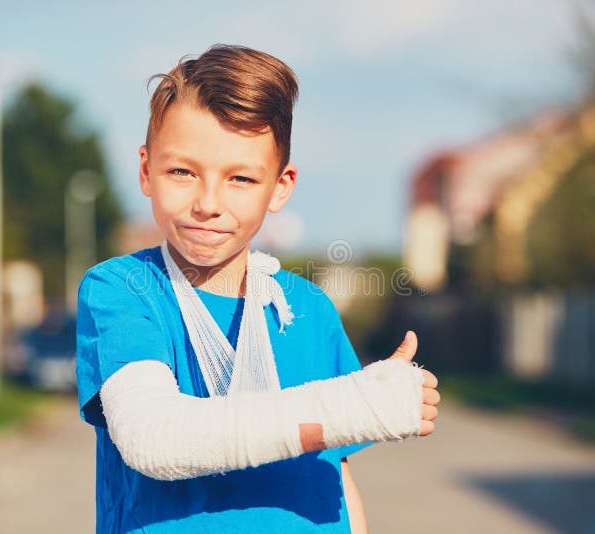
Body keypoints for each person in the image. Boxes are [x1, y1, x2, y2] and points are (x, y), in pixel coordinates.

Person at [76, 44, 441, 534]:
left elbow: (336, 475)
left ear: (281, 186)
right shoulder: (123, 291)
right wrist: (356, 407)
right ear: (146, 171)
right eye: (182, 171)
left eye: (241, 178)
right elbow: (153, 437)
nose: (208, 202)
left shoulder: (309, 309)